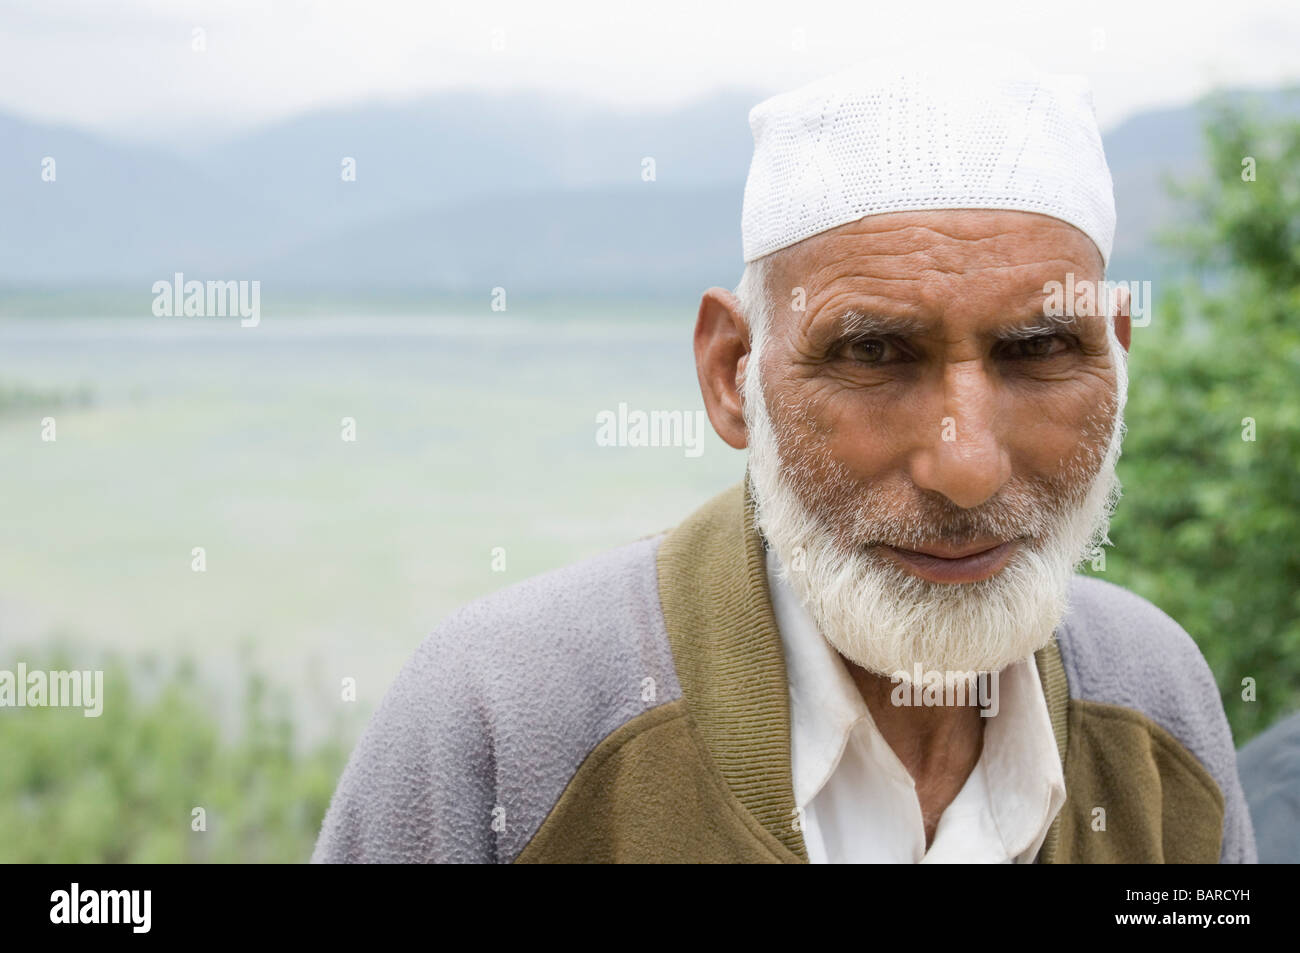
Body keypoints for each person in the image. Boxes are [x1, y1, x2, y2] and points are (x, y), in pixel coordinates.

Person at [311, 55, 1255, 864]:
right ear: (734, 374)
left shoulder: (1153, 699)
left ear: (1119, 360)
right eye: (874, 353)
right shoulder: (504, 719)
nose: (965, 470)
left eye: (1039, 349)